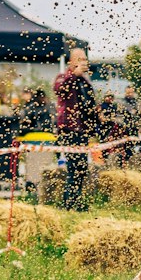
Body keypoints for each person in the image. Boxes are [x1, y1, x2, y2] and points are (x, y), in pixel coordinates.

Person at [53, 47, 98, 209]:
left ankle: (76, 201)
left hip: (82, 130)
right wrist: (74, 74)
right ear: (71, 62)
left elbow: (90, 105)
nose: (83, 62)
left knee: (82, 167)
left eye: (85, 59)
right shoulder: (63, 77)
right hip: (69, 129)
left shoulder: (85, 81)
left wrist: (94, 127)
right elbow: (59, 90)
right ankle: (69, 203)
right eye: (80, 59)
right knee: (73, 166)